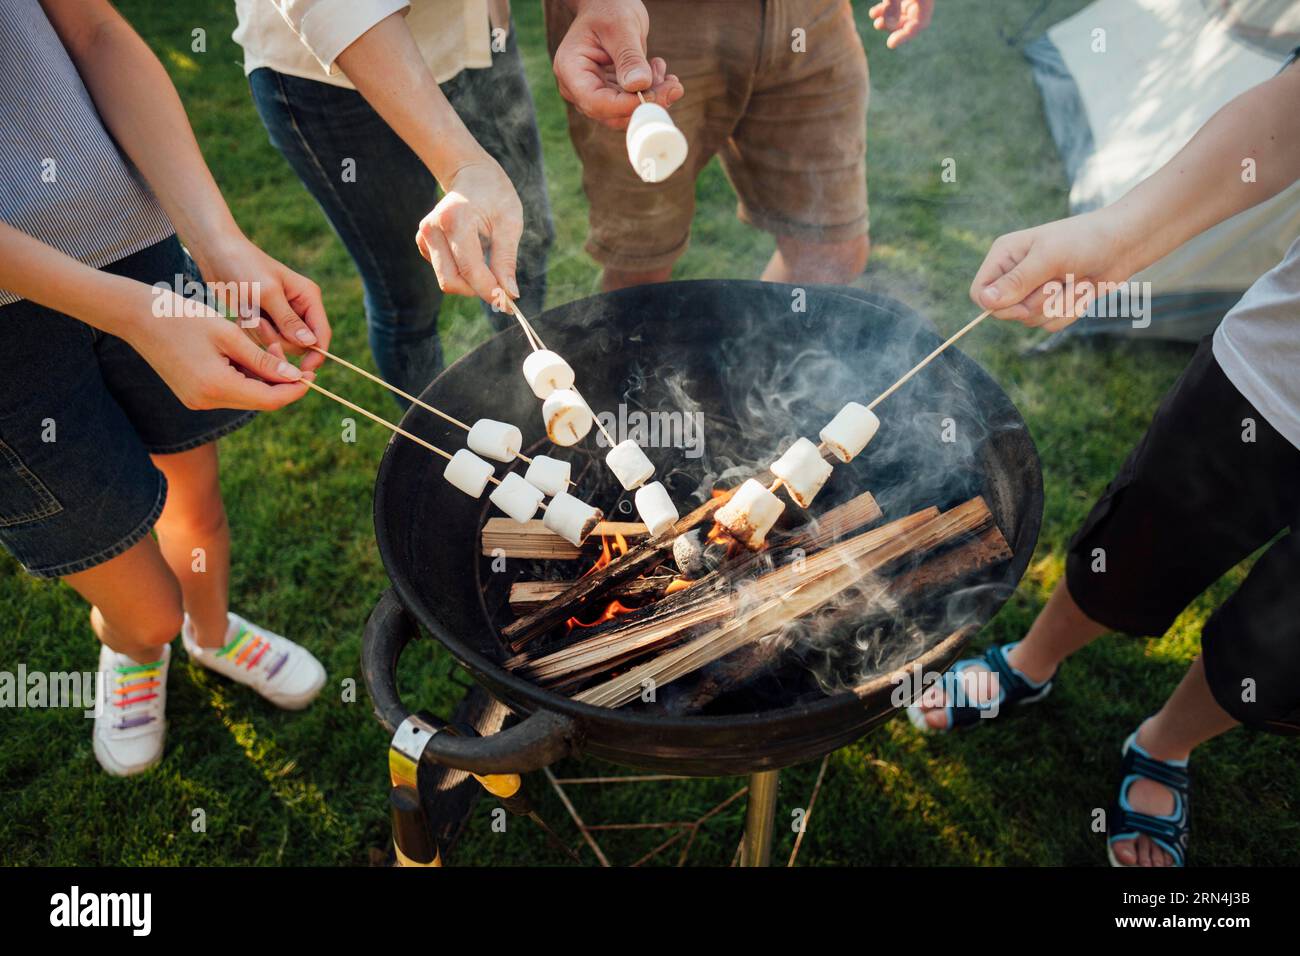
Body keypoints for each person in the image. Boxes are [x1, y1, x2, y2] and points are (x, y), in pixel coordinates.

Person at [909, 56, 1300, 867]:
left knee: (1286, 643)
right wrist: (1109, 242)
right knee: (1135, 547)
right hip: (1279, 371)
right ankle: (1031, 662)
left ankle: (1166, 743)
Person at [0, 0, 332, 776]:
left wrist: (218, 242)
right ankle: (136, 646)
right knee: (144, 602)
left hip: (135, 243)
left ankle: (212, 636)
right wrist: (141, 318)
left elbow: (96, 31)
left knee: (197, 508)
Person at [234, 0, 554, 406]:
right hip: (336, 67)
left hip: (475, 30)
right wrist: (463, 165)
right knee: (409, 297)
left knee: (523, 246)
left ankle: (531, 402)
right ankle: (444, 454)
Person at [543, 0, 933, 291]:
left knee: (832, 251)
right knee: (641, 264)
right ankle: (628, 395)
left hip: (812, 13)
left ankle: (755, 389)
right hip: (643, 18)